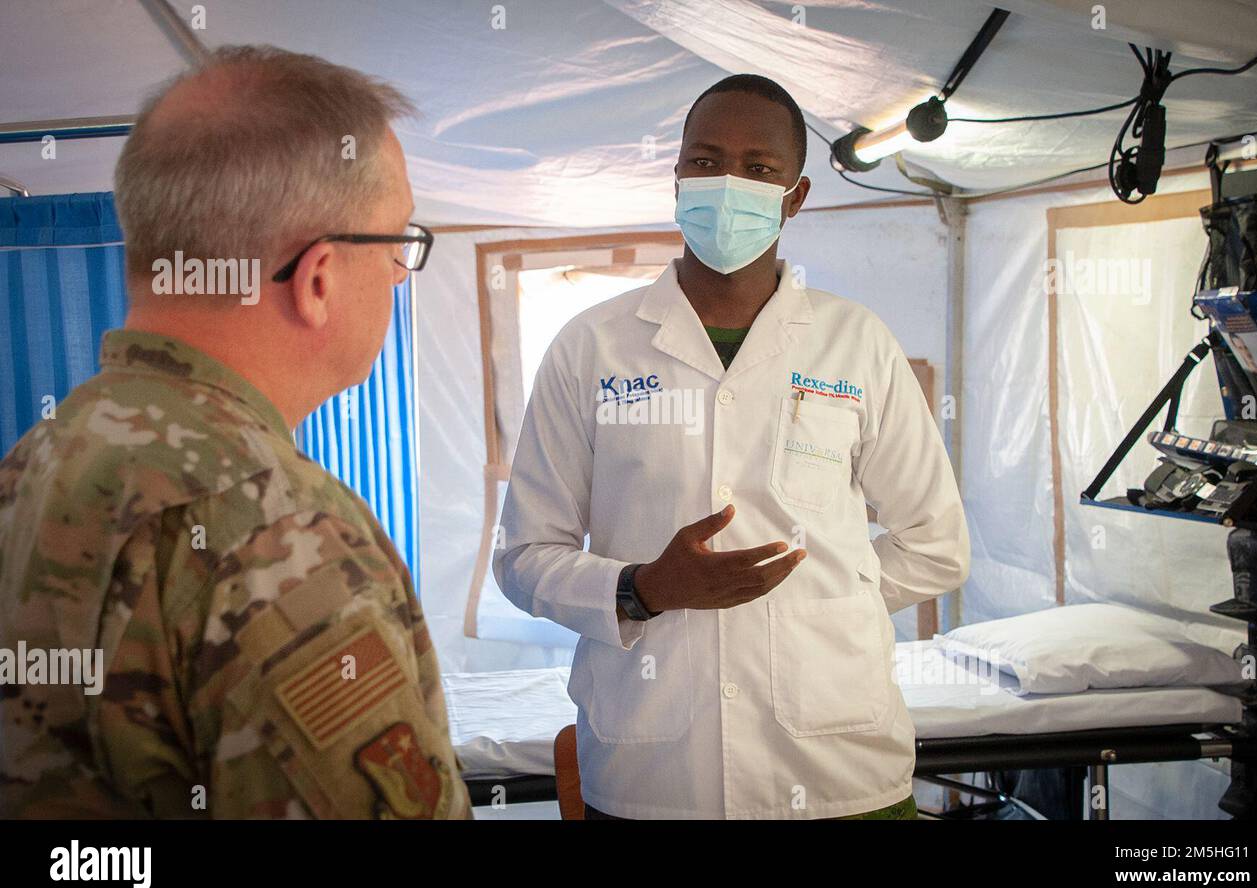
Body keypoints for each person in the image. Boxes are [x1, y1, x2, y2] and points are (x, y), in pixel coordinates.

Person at [0, 46, 470, 820]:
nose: (397, 273)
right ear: (318, 279)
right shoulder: (278, 528)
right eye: (397, 244)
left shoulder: (37, 457)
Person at [494, 74, 969, 819]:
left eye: (758, 169)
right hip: (652, 775)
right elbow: (524, 556)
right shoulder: (590, 348)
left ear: (797, 195)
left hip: (841, 772)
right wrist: (645, 588)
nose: (728, 186)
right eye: (707, 162)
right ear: (677, 179)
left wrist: (823, 606)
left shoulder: (856, 344)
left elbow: (936, 543)